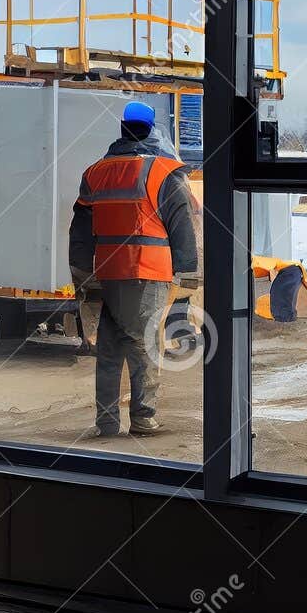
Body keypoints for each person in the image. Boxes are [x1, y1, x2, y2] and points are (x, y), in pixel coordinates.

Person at [69, 100, 198, 436]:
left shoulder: (95, 172)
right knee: (144, 345)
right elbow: (182, 229)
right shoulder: (162, 173)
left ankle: (107, 421)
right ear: (152, 130)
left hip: (106, 272)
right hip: (146, 272)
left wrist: (82, 277)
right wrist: (187, 284)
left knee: (109, 350)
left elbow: (79, 232)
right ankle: (143, 418)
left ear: (122, 130)